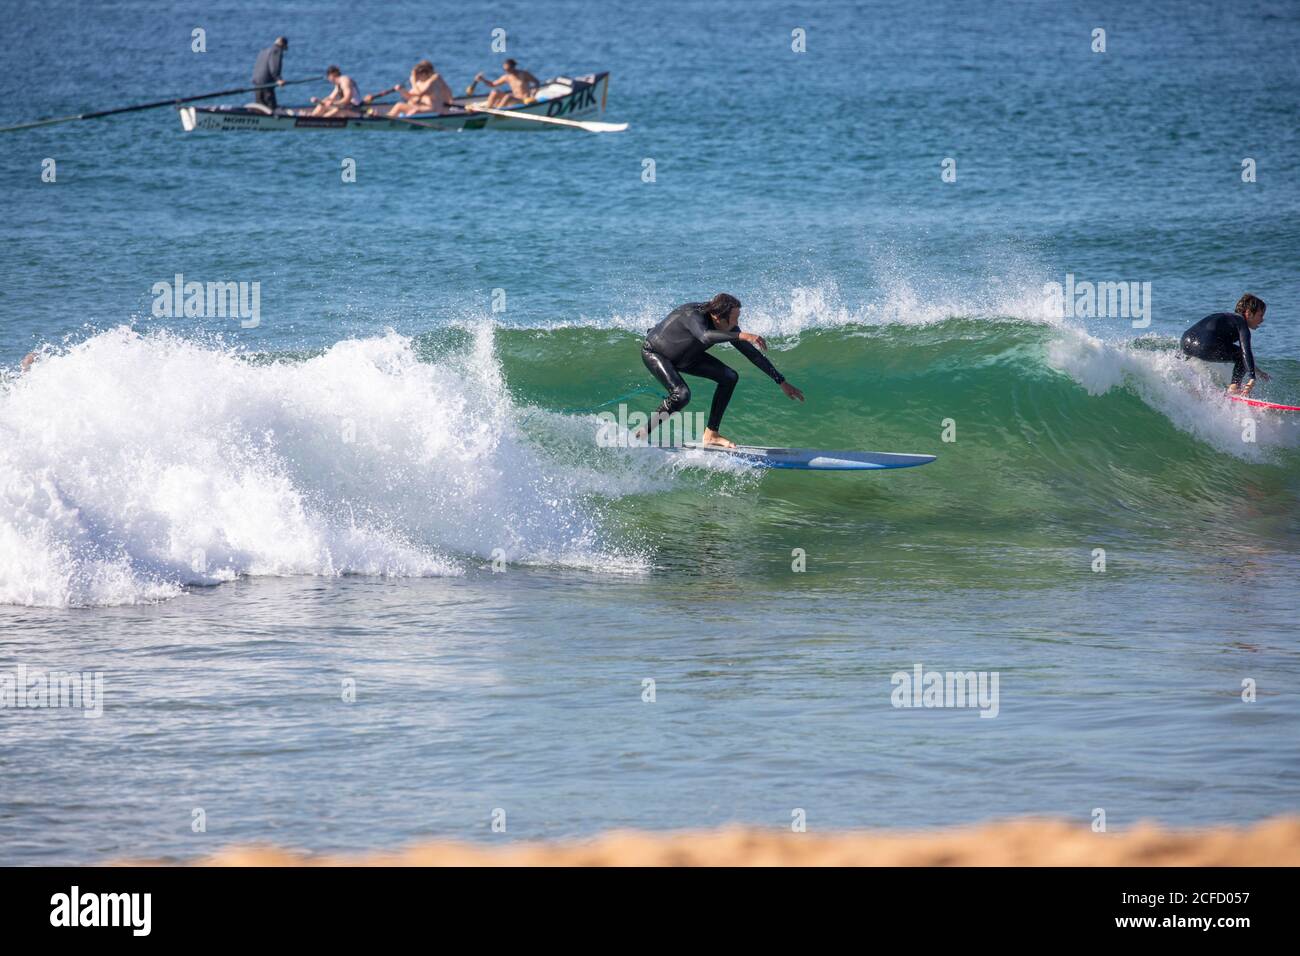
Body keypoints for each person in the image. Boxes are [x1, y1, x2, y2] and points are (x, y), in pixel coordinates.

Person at [635, 293, 804, 448]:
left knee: (729, 377)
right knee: (681, 395)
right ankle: (641, 434)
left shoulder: (727, 326)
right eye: (734, 319)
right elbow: (705, 336)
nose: (736, 324)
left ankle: (711, 434)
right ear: (717, 316)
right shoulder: (692, 314)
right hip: (656, 353)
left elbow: (752, 354)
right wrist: (741, 335)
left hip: (687, 357)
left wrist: (781, 381)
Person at [1180, 293, 1270, 395]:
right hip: (1205, 345)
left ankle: (1189, 385)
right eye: (1260, 315)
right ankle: (1234, 388)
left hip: (1186, 342)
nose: (1262, 320)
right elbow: (1245, 352)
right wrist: (1252, 377)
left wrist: (1256, 370)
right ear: (1248, 313)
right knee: (1240, 355)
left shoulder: (1226, 318)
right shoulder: (1241, 323)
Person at [385, 60, 453, 116]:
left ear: (424, 74)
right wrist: (401, 90)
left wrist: (413, 82)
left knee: (400, 106)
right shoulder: (419, 83)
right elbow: (409, 96)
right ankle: (388, 117)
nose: (415, 78)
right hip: (424, 107)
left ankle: (386, 120)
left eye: (416, 75)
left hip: (433, 109)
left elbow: (420, 93)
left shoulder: (432, 81)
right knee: (405, 104)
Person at [470, 59, 540, 108]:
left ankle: (498, 112)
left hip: (523, 100)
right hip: (515, 99)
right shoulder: (507, 77)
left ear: (513, 67)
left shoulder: (524, 74)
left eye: (508, 69)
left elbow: (537, 82)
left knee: (508, 96)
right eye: (505, 70)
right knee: (495, 92)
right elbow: (492, 84)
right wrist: (483, 79)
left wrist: (533, 93)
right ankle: (488, 108)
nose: (507, 71)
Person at [251, 37, 288, 111]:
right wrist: (278, 79)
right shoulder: (277, 51)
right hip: (266, 83)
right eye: (285, 46)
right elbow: (274, 66)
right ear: (282, 44)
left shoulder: (264, 51)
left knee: (259, 107)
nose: (284, 49)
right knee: (270, 107)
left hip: (257, 83)